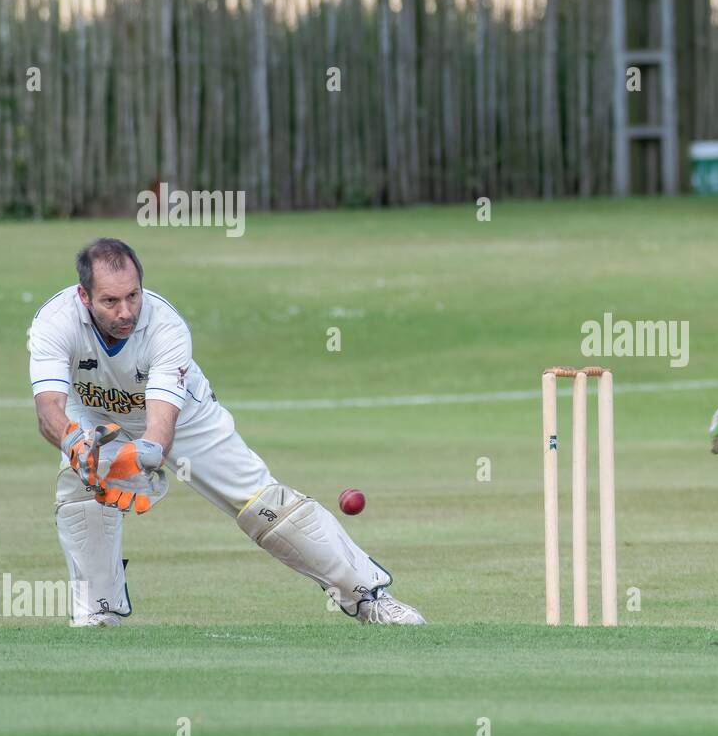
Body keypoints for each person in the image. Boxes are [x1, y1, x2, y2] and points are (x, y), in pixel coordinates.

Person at [28, 237, 424, 627]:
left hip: (185, 415)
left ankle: (370, 598)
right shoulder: (54, 322)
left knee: (266, 507)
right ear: (84, 296)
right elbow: (49, 410)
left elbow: (162, 419)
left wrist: (147, 455)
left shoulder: (164, 326)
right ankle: (97, 612)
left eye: (133, 296)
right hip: (96, 420)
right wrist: (76, 445)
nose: (126, 311)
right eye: (110, 301)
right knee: (81, 494)